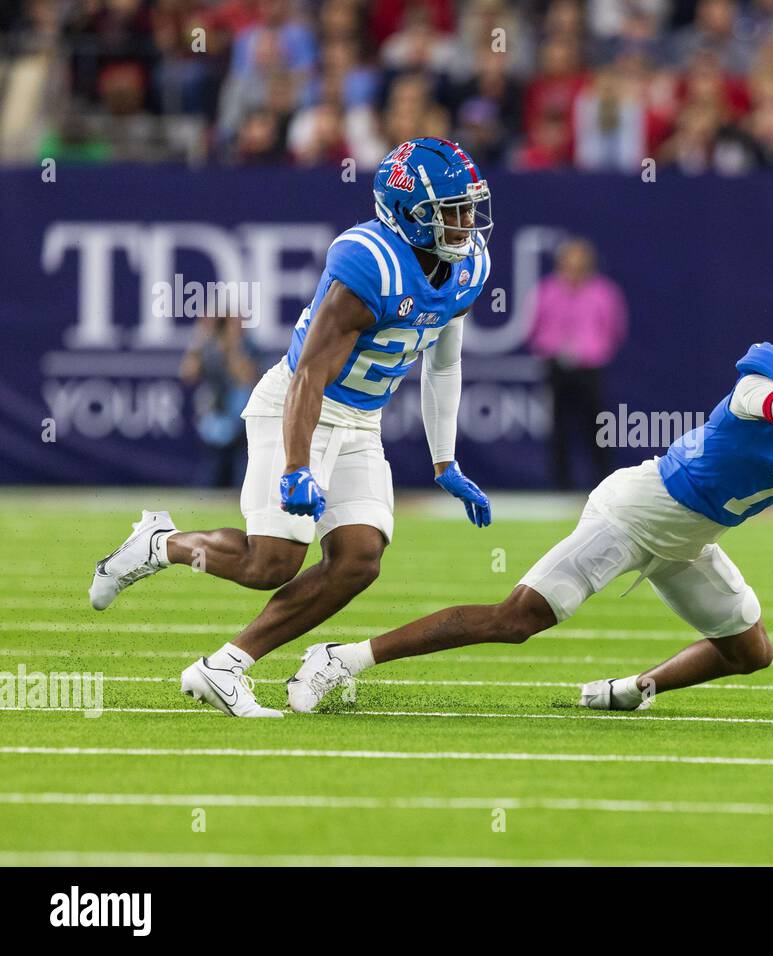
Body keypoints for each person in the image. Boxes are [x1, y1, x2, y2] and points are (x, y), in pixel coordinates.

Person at [284, 300, 773, 714]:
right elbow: (768, 404)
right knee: (516, 620)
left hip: (689, 537)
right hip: (640, 508)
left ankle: (631, 690)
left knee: (749, 652)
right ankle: (341, 658)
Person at [87, 138, 495, 718]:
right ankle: (160, 544)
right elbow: (309, 373)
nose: (464, 222)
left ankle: (225, 667)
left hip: (362, 418)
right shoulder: (369, 265)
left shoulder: (469, 263)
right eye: (448, 210)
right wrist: (299, 465)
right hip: (302, 403)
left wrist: (445, 462)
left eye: (466, 206)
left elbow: (444, 360)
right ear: (406, 214)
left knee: (359, 559)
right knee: (270, 562)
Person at [527, 237, 628, 489]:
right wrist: (547, 348)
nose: (573, 268)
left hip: (589, 366)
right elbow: (534, 324)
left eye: (579, 263)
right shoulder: (547, 290)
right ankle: (561, 484)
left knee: (596, 424)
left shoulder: (603, 293)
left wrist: (595, 350)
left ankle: (604, 482)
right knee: (558, 425)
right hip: (556, 365)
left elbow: (614, 327)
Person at [179, 314, 258, 487]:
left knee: (242, 472)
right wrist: (199, 337)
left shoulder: (249, 347)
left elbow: (246, 378)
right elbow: (187, 374)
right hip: (214, 416)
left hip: (240, 418)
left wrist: (233, 347)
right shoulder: (208, 347)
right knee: (212, 472)